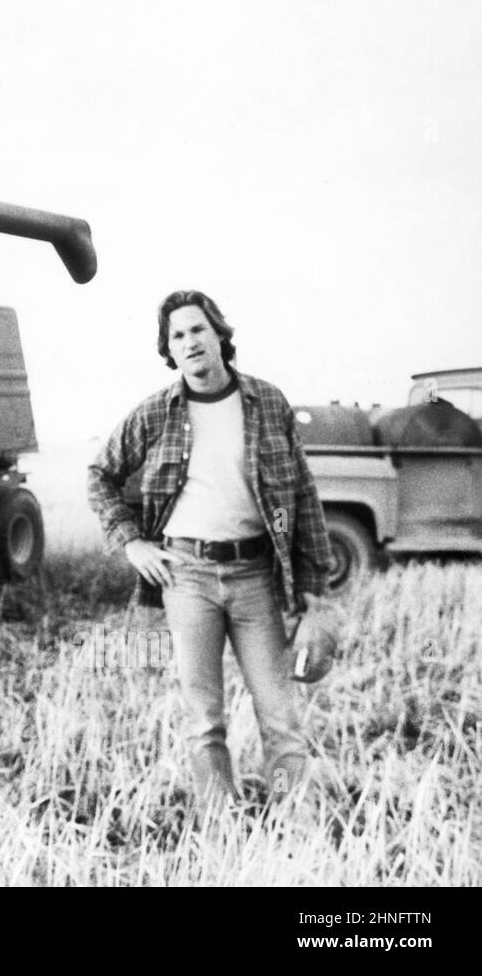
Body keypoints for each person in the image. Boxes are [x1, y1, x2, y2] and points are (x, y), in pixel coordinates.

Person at [86, 289, 338, 807]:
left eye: (197, 329)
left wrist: (315, 592)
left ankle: (292, 822)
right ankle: (220, 831)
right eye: (177, 336)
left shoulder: (268, 402)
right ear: (170, 352)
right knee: (204, 721)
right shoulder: (156, 412)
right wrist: (131, 543)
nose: (189, 341)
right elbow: (100, 475)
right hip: (187, 578)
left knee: (280, 718)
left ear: (220, 334)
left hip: (257, 577)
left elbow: (303, 496)